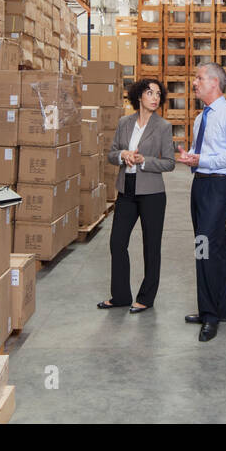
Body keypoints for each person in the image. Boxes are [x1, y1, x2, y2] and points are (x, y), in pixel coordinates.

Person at [175, 62, 226, 342]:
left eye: (199, 78)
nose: (194, 83)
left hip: (219, 186)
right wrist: (191, 158)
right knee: (214, 245)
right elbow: (201, 151)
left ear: (215, 82)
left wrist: (203, 160)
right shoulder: (200, 118)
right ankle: (220, 308)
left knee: (204, 245)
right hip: (201, 184)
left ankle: (209, 315)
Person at [98, 77, 175, 313]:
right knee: (117, 243)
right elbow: (111, 154)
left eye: (158, 94)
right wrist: (123, 154)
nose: (155, 98)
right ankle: (120, 295)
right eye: (150, 93)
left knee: (151, 247)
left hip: (152, 193)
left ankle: (146, 297)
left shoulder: (163, 127)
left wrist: (144, 161)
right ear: (139, 96)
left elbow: (169, 163)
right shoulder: (124, 122)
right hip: (126, 189)